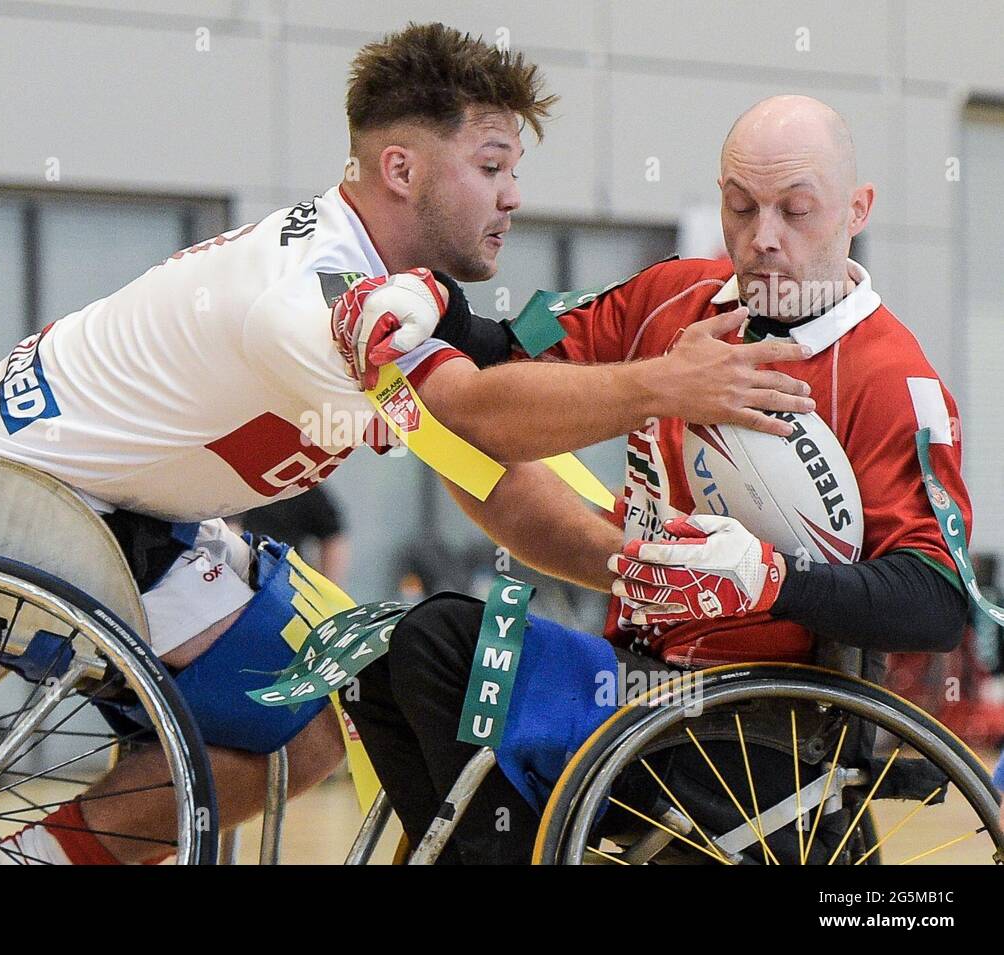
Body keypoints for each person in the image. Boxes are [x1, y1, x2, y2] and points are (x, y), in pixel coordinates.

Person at [0, 24, 813, 864]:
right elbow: (478, 419)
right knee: (315, 702)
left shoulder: (369, 282)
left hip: (90, 504)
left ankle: (46, 852)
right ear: (400, 168)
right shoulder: (316, 300)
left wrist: (639, 570)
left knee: (325, 707)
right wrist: (665, 383)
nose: (514, 195)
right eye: (492, 166)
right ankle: (31, 858)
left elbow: (488, 480)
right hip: (23, 508)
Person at [341, 94, 976, 863]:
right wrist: (427, 301)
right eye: (740, 207)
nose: (762, 239)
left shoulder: (895, 381)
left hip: (764, 721)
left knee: (440, 643)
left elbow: (939, 602)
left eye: (795, 211)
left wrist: (770, 579)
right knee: (383, 660)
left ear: (856, 209)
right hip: (635, 684)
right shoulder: (672, 294)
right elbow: (511, 345)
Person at [241, 485, 349, 586]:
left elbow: (332, 537)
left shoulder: (299, 487)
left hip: (280, 580)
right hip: (236, 570)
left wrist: (326, 592)